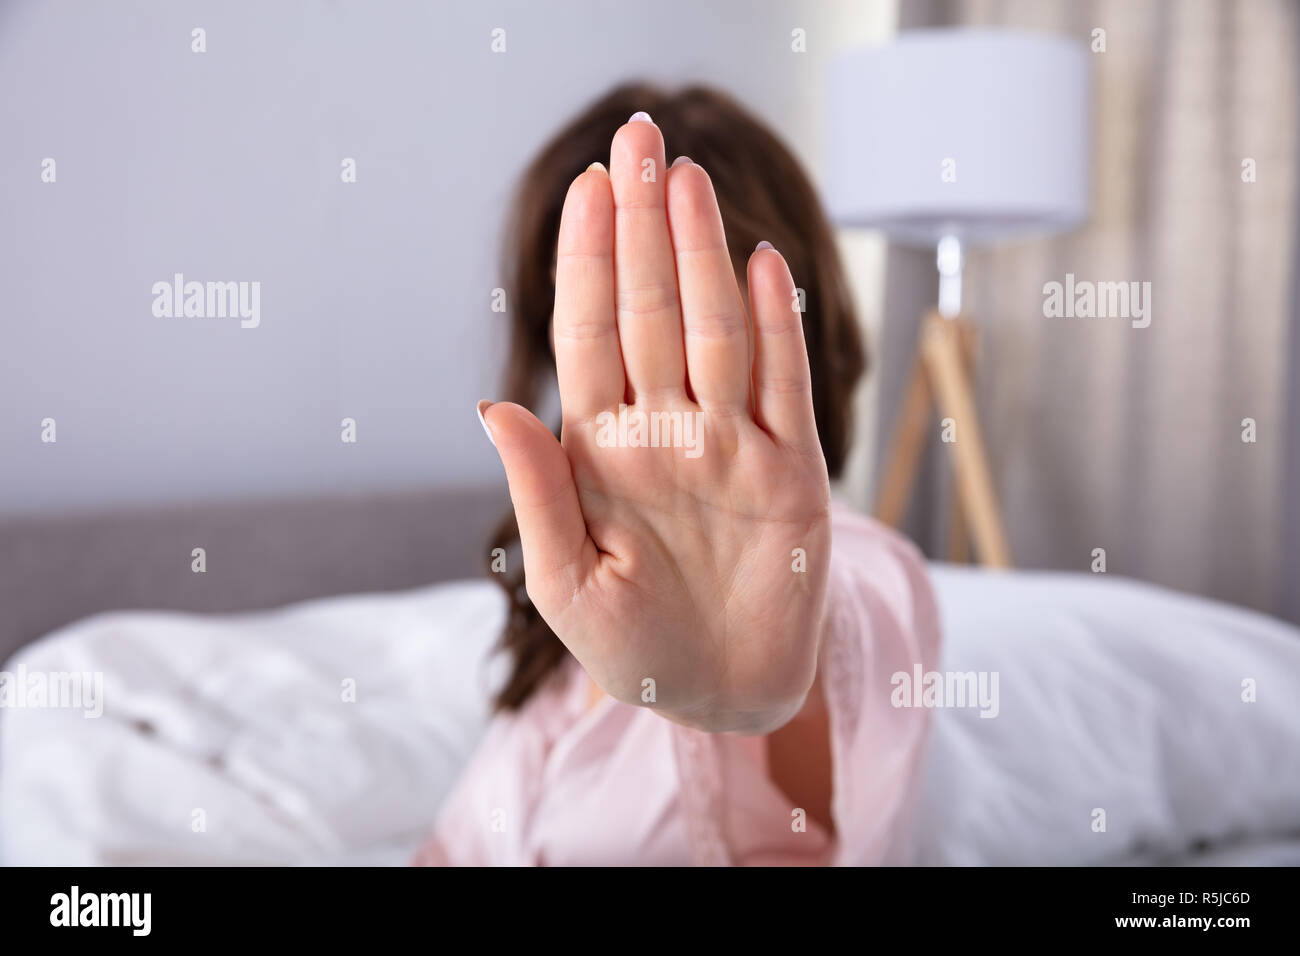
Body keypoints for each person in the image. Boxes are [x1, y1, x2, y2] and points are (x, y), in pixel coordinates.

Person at [415, 83, 941, 866]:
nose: (656, 368)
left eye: (699, 319)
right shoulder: (564, 630)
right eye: (608, 315)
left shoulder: (863, 573)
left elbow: (856, 626)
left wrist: (757, 695)